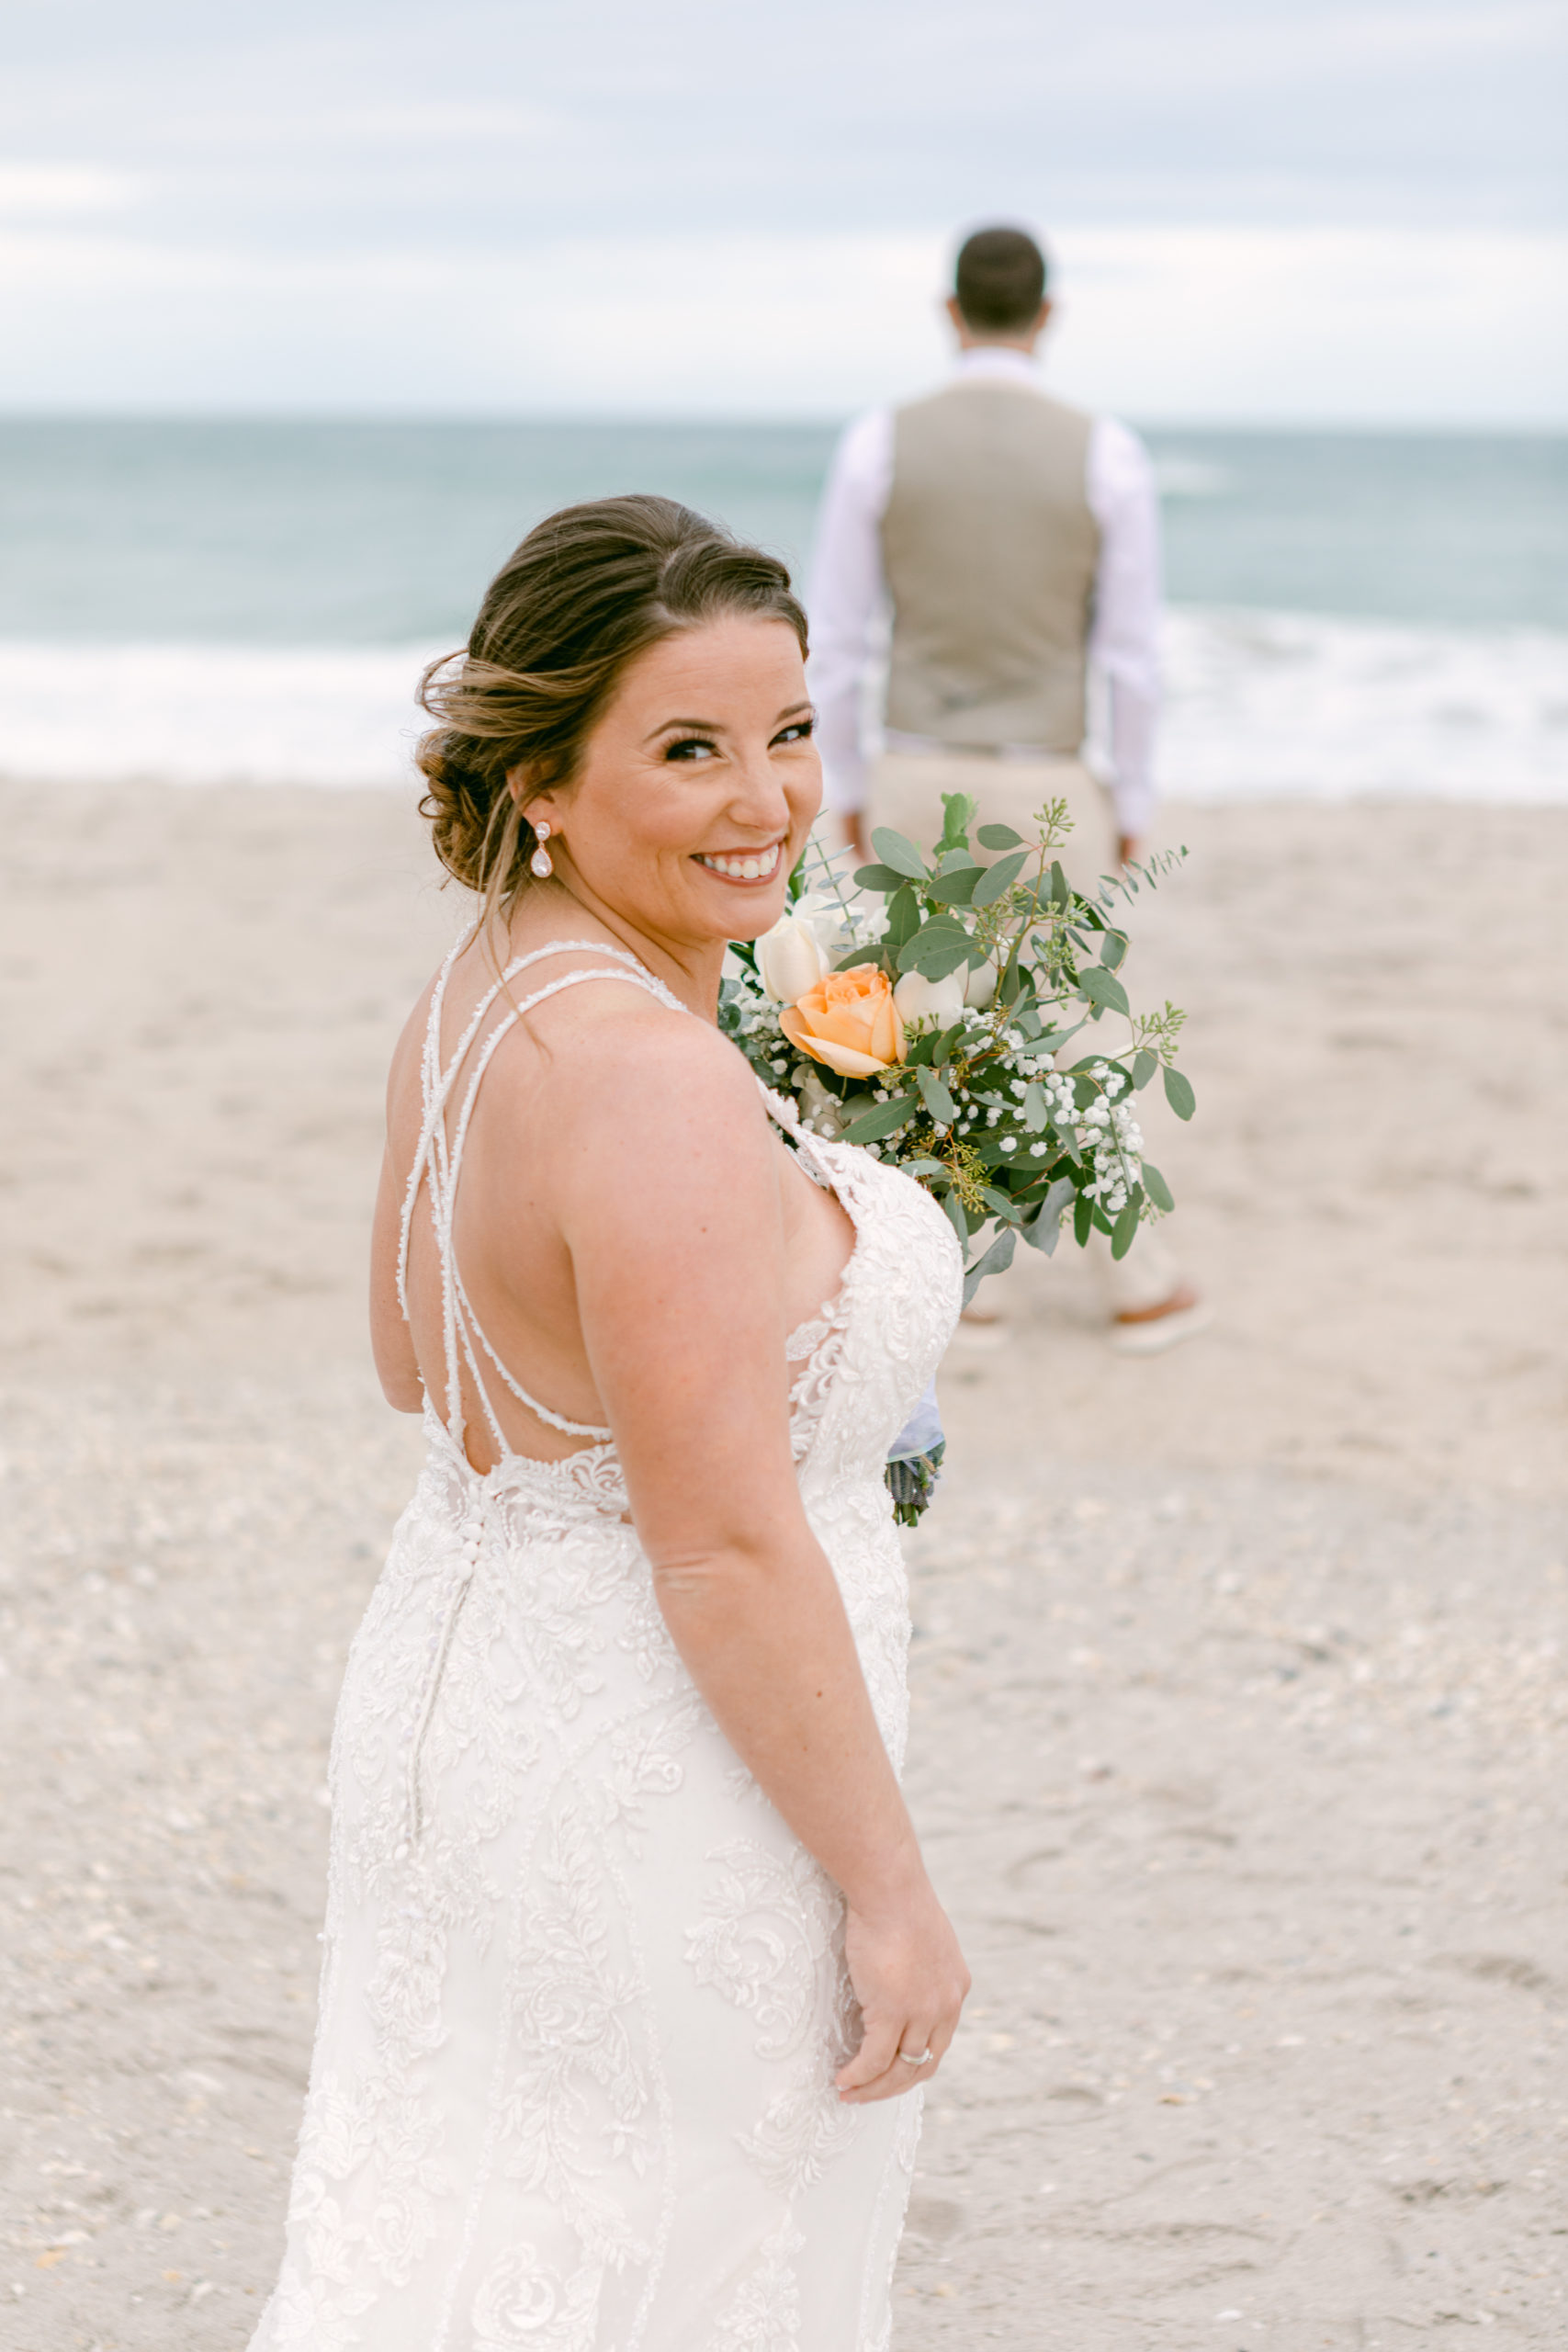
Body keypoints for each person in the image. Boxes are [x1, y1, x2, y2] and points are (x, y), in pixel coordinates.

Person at [248, 495, 969, 2351]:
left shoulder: (490, 986)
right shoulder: (647, 1080)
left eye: (788, 733)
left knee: (473, 2235)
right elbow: (719, 1545)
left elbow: (422, 1361)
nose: (765, 802)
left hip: (467, 1700)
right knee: (683, 2275)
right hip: (666, 1768)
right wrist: (891, 1897)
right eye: (687, 750)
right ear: (544, 776)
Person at [809, 223, 1208, 1353]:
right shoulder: (1106, 452)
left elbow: (838, 636)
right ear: (1047, 314)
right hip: (1048, 777)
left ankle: (961, 1290)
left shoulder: (880, 444)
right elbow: (1131, 651)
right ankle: (1137, 1283)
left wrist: (845, 774)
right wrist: (1131, 799)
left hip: (916, 755)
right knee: (1066, 1026)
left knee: (927, 1030)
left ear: (950, 311)